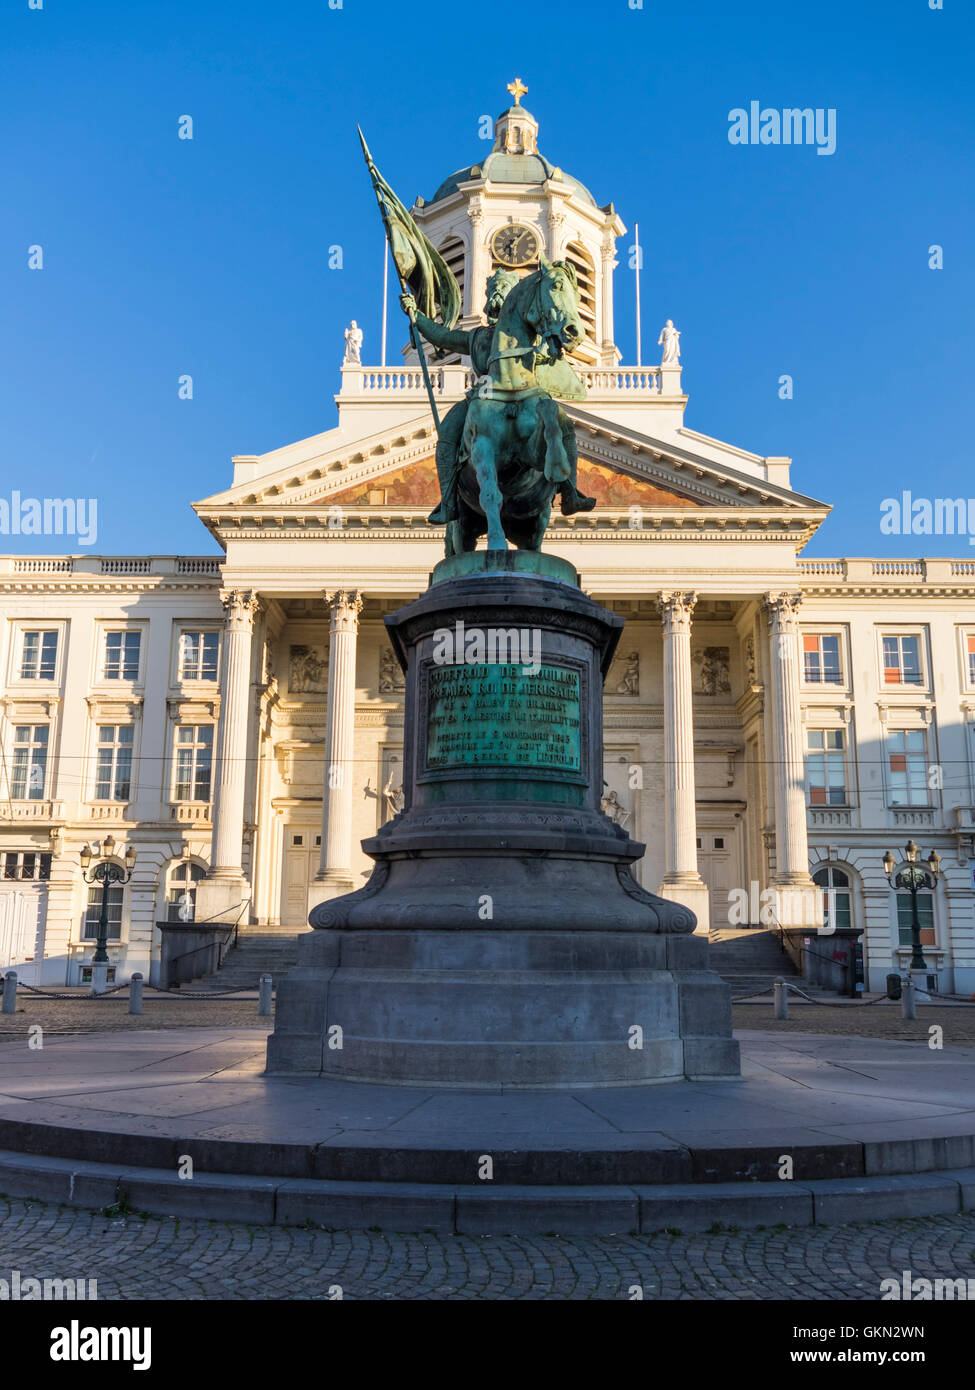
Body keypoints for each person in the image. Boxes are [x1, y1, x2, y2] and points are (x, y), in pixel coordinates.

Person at [402, 272, 595, 523]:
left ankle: (570, 491)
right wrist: (417, 317)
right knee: (449, 433)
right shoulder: (478, 336)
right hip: (485, 394)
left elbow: (554, 351)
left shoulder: (534, 336)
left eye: (504, 288)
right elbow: (442, 337)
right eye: (493, 288)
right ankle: (448, 501)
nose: (497, 293)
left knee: (563, 424)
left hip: (528, 391)